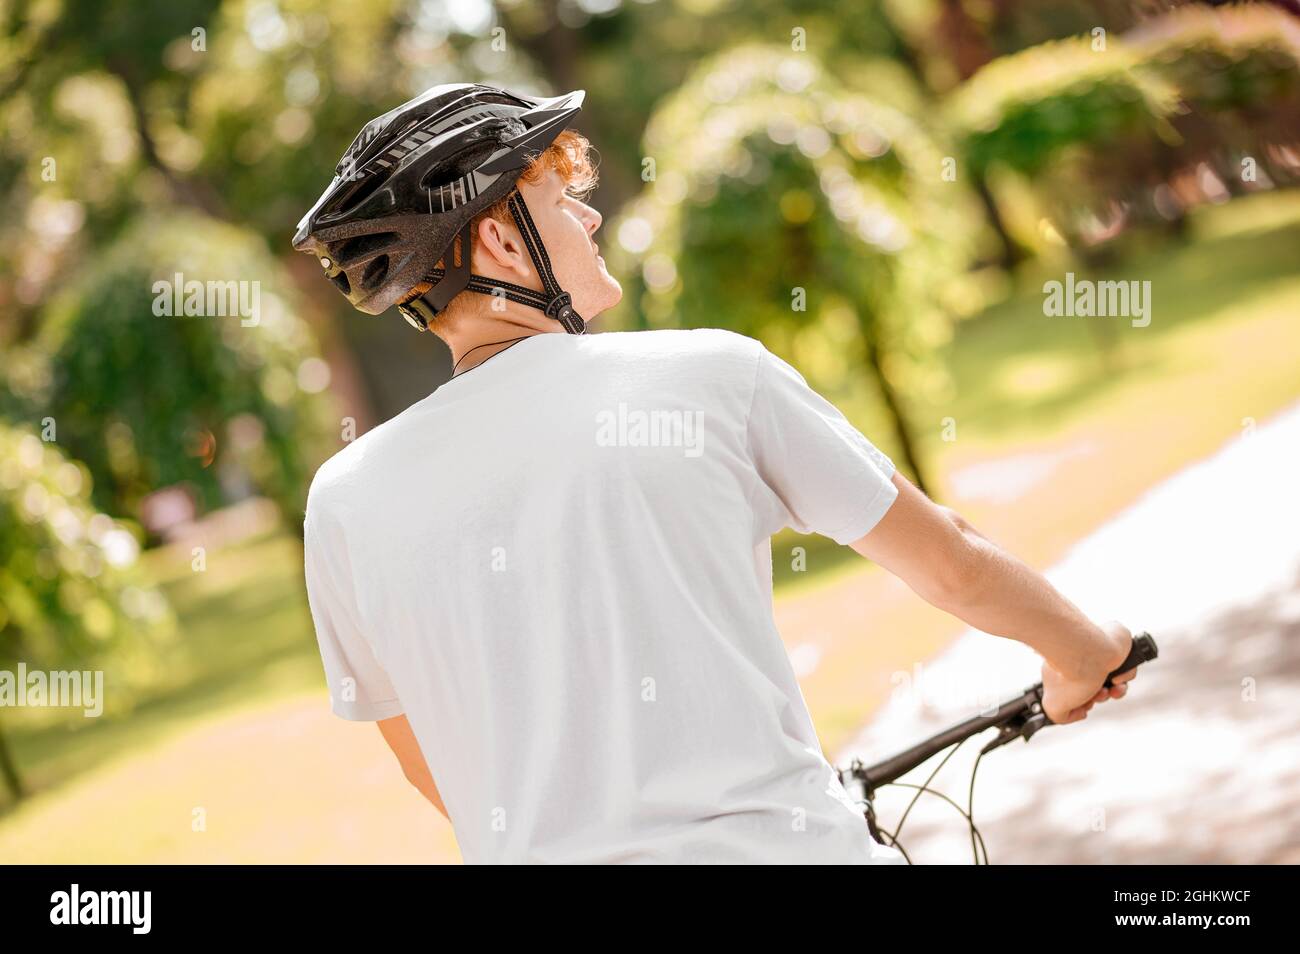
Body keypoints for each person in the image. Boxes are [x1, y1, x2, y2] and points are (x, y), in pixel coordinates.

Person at [293, 83, 1137, 865]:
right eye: (561, 202)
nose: (588, 221)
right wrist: (1084, 653)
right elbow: (950, 563)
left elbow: (428, 762)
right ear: (504, 239)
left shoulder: (343, 501)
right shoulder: (711, 377)